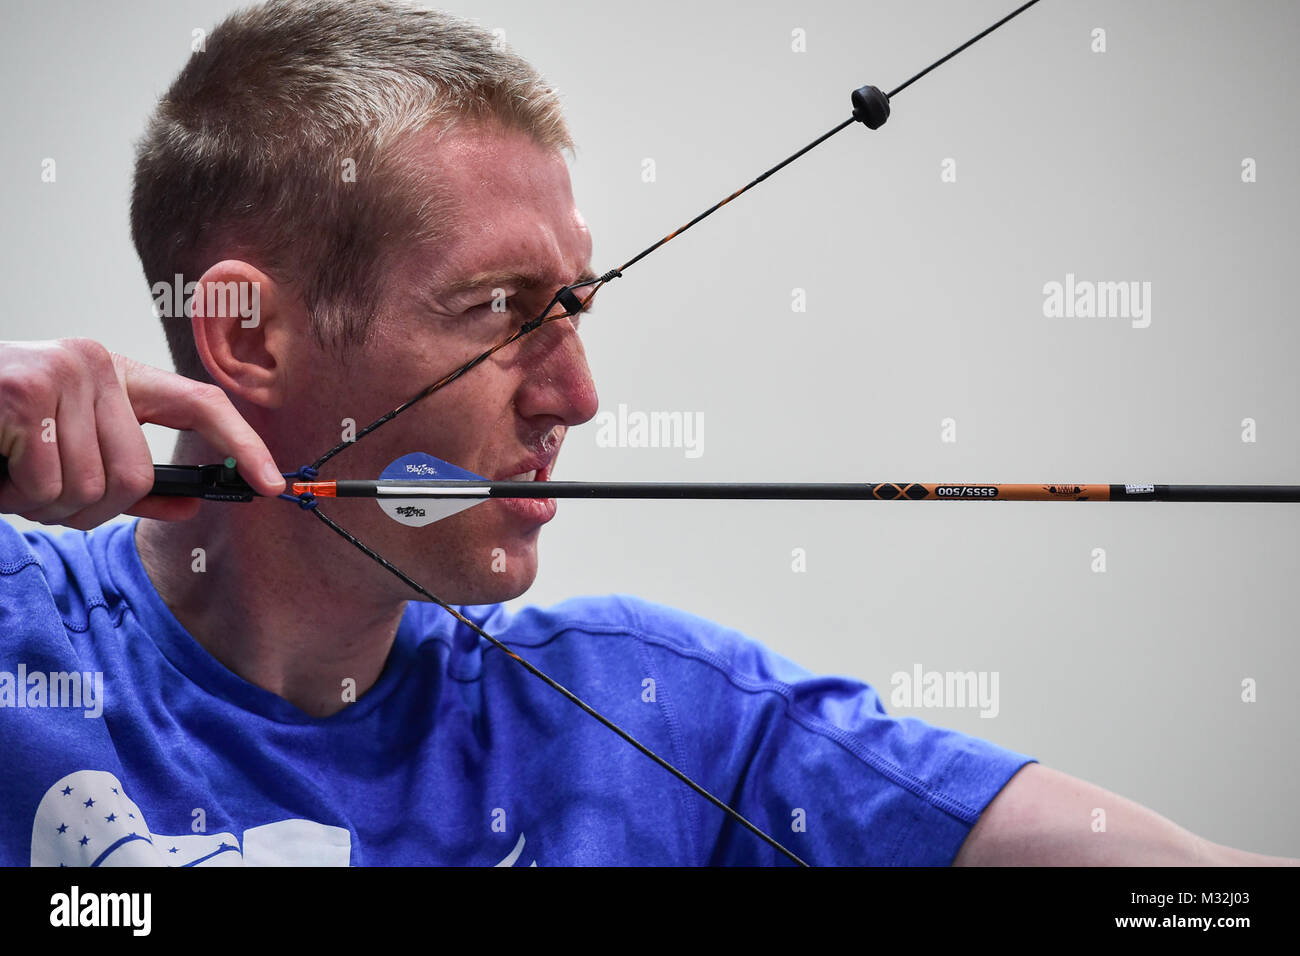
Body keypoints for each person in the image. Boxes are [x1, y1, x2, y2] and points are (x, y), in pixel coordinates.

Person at [0, 0, 1290, 867]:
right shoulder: (23, 633)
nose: (577, 397)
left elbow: (1192, 894)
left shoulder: (649, 711)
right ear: (246, 337)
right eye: (501, 313)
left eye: (577, 308)